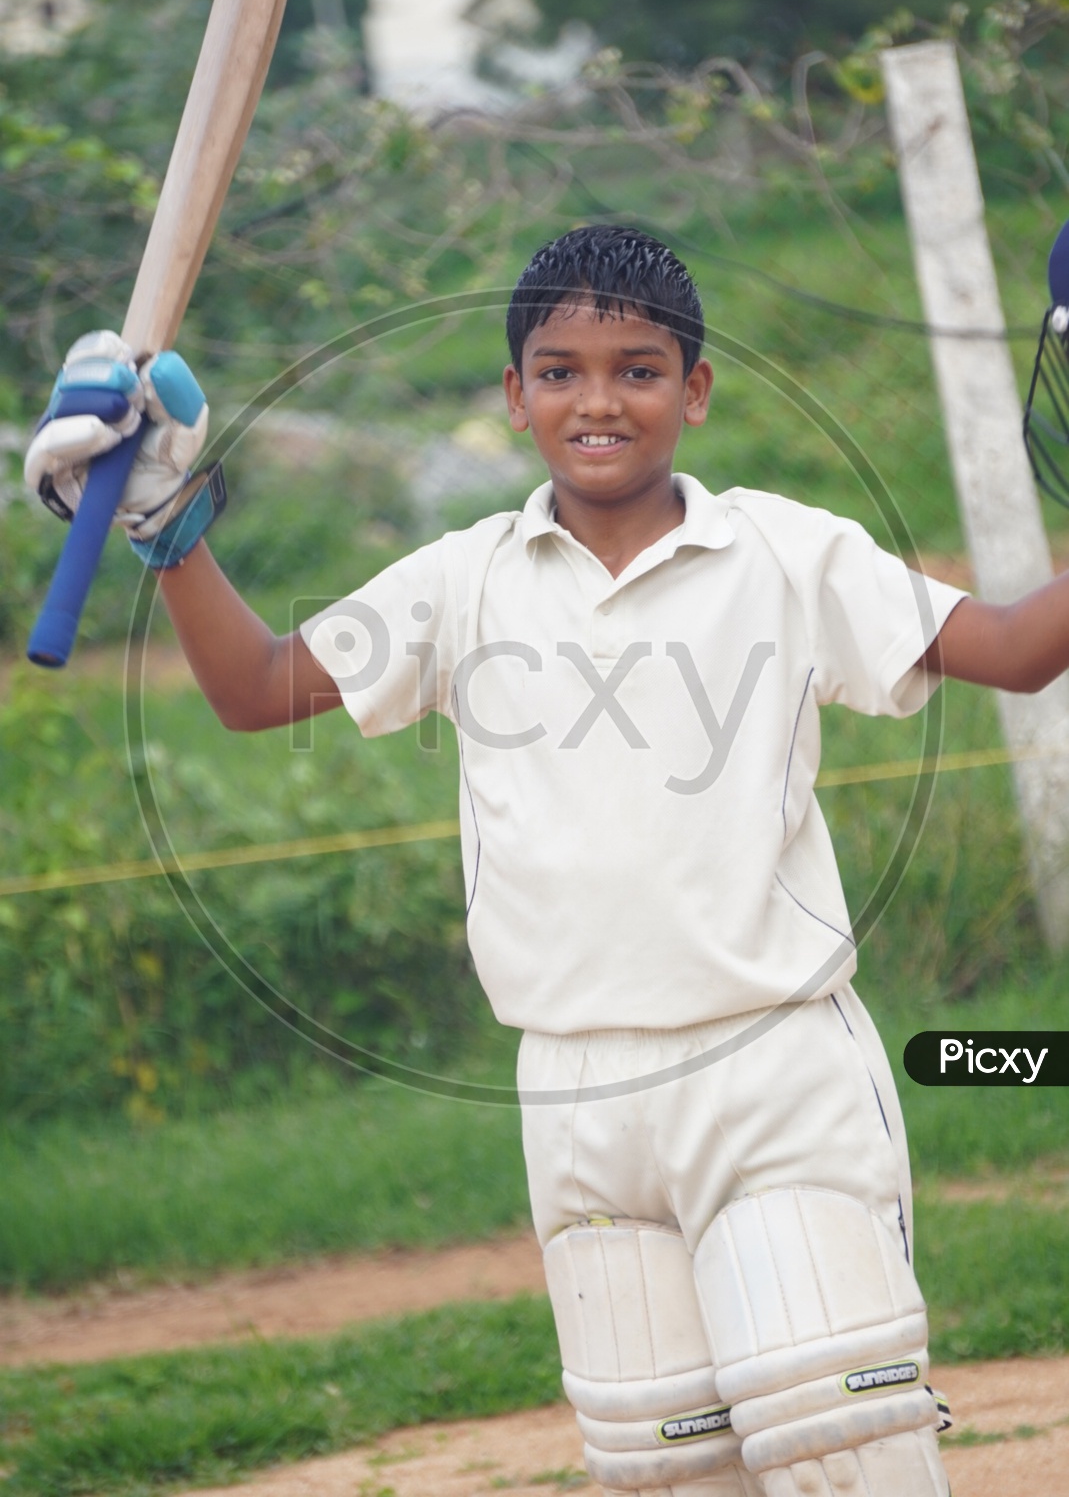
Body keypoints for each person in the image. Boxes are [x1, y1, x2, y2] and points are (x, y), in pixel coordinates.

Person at [26, 226, 1069, 1497]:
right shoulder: (466, 580)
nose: (598, 399)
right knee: (665, 1475)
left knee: (841, 1457)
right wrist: (165, 522)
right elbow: (252, 688)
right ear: (515, 396)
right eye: (560, 370)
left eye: (638, 368)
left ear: (693, 389)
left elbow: (1015, 648)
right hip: (572, 1097)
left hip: (772, 1069)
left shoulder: (787, 553)